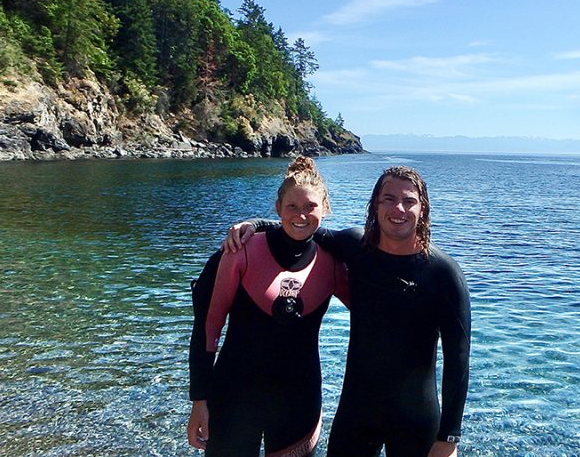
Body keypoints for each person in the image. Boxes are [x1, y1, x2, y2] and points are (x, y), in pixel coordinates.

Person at [224, 165, 471, 457]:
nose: (398, 208)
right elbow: (302, 227)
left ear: (423, 208)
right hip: (357, 412)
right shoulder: (355, 247)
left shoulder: (443, 273)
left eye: (409, 201)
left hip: (415, 418)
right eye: (388, 199)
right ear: (375, 206)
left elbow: (457, 359)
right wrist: (254, 224)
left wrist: (449, 437)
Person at [187, 156, 349, 456]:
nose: (301, 215)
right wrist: (199, 400)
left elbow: (376, 316)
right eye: (292, 207)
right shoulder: (242, 250)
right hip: (235, 397)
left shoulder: (333, 263)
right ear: (278, 209)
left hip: (299, 400)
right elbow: (208, 328)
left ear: (325, 207)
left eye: (310, 207)